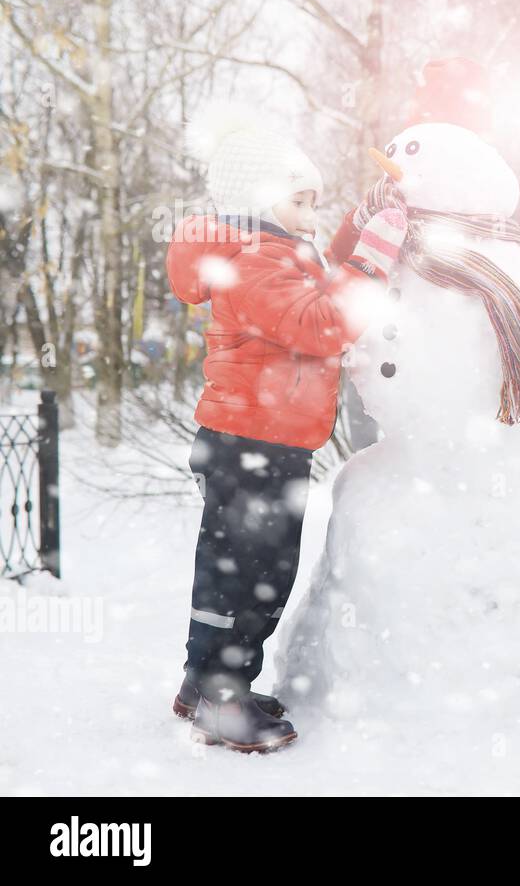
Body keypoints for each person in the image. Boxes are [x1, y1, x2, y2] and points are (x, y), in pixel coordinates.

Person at [165, 103, 407, 752]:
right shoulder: (255, 262)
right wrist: (377, 259)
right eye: (301, 203)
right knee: (257, 575)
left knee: (227, 571)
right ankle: (224, 700)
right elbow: (323, 321)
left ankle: (205, 682)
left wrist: (362, 224)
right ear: (262, 200)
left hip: (247, 442)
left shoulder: (266, 253)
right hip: (258, 446)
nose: (312, 215)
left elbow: (323, 275)